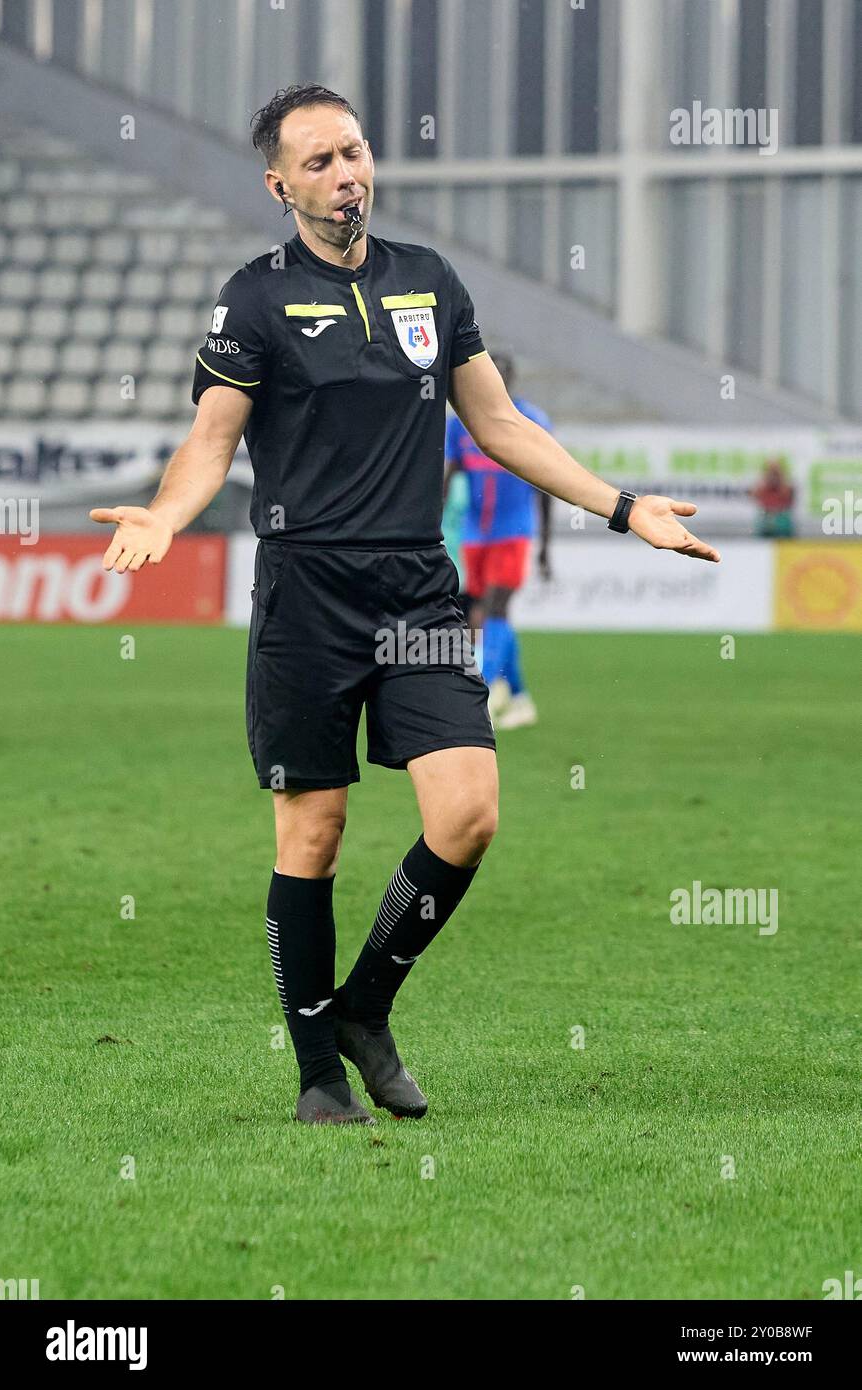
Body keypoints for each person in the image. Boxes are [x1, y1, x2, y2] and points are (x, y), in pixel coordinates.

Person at [90, 84, 720, 1126]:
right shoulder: (253, 298)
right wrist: (166, 514)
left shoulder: (428, 283)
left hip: (417, 583)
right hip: (307, 588)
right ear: (279, 184)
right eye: (321, 161)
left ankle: (366, 1006)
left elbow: (501, 426)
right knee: (315, 832)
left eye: (354, 152)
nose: (346, 174)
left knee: (467, 814)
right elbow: (210, 441)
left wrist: (622, 506)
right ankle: (316, 1078)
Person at [445, 350, 552, 729]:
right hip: (475, 533)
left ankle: (486, 692)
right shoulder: (461, 424)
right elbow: (450, 473)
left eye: (504, 375)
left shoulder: (532, 420)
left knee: (494, 609)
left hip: (513, 530)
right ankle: (519, 697)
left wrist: (545, 548)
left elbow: (547, 484)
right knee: (479, 615)